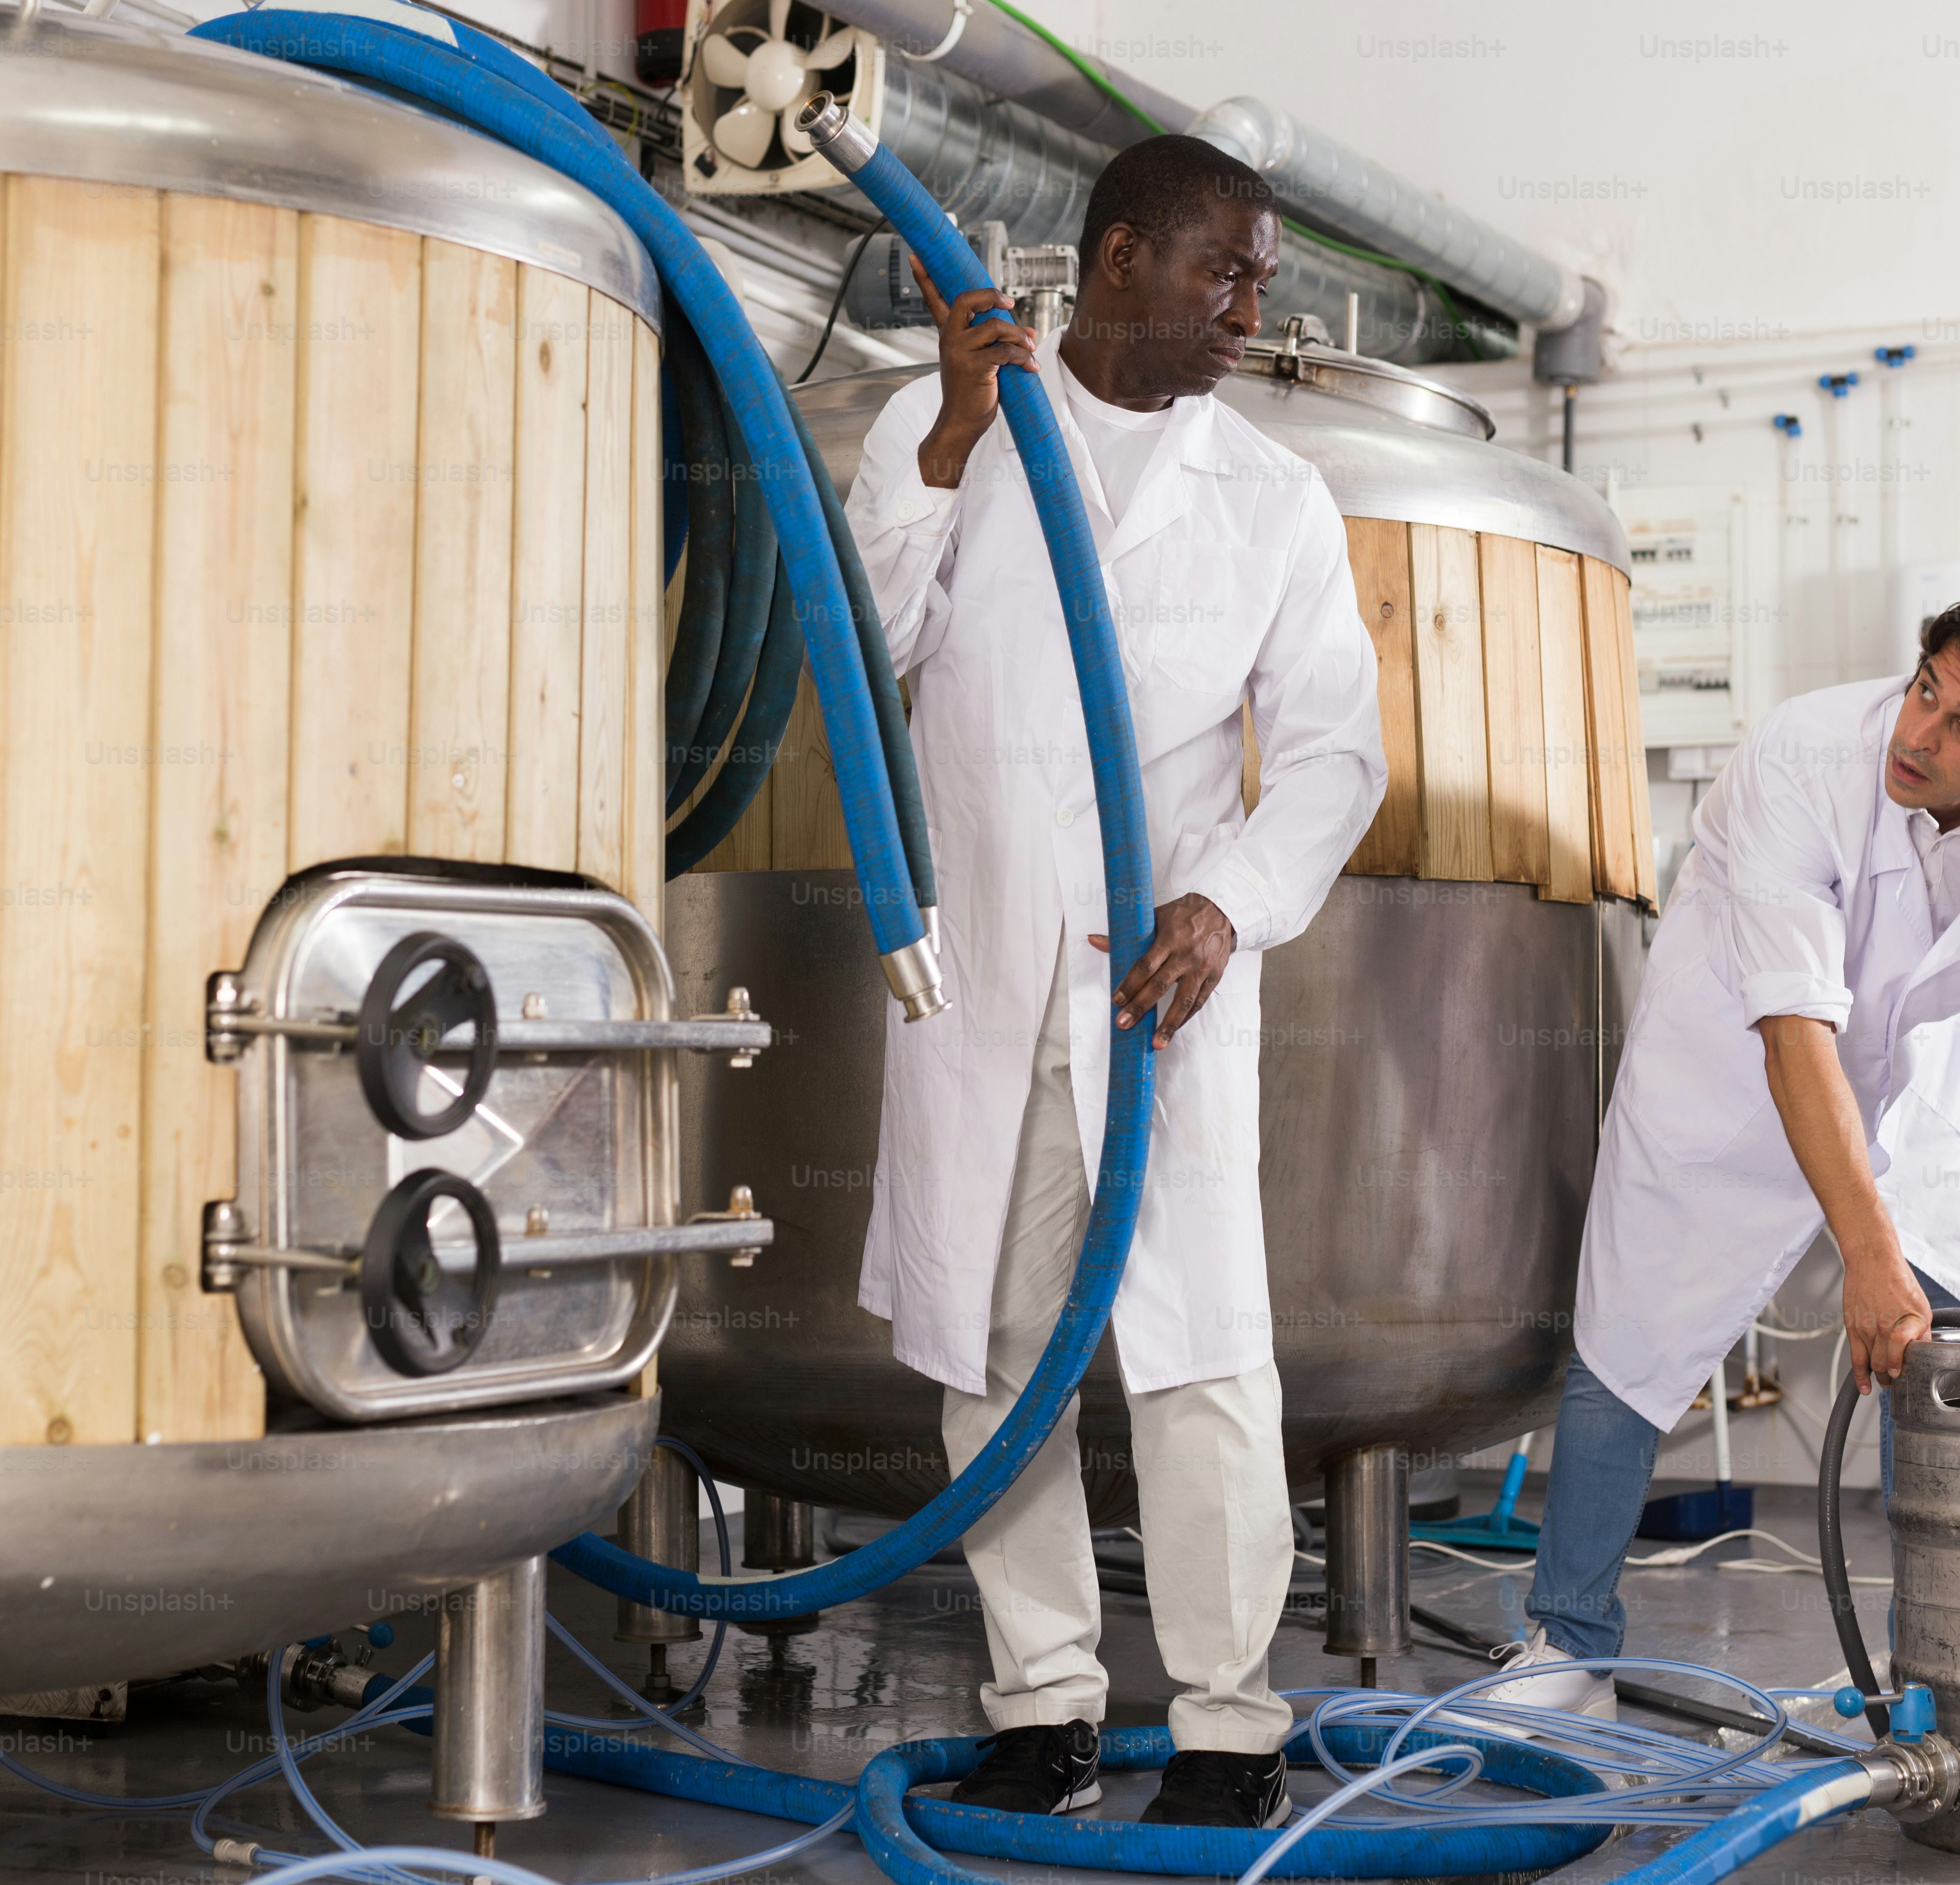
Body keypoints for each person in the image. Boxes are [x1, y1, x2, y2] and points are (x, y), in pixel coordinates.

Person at [842, 135, 1386, 1827]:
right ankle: (1045, 1703)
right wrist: (937, 435)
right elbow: (867, 647)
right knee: (995, 1352)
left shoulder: (1274, 496)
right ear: (1124, 255)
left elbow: (1331, 752)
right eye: (1223, 273)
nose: (1248, 309)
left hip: (1163, 992)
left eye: (1263, 280)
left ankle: (1227, 1722)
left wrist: (1227, 902)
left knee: (1205, 1359)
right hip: (985, 980)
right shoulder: (956, 434)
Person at [1494, 583, 1960, 1718]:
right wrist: (1872, 1257)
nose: (1921, 733)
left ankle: (1938, 1668)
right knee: (1631, 1341)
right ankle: (1568, 1652)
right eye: (1927, 690)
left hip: (1920, 1077)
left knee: (1957, 1358)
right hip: (1730, 1059)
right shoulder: (1807, 755)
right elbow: (1797, 1030)